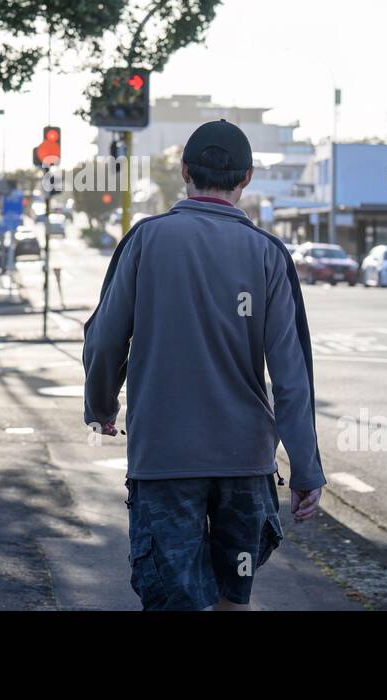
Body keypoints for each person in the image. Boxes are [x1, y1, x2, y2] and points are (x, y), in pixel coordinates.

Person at [83, 119, 325, 611]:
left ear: (183, 171)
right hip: (245, 463)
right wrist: (305, 468)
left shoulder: (146, 241)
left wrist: (102, 406)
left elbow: (105, 340)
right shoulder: (268, 254)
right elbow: (291, 376)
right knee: (232, 598)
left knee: (175, 600)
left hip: (165, 461)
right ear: (248, 178)